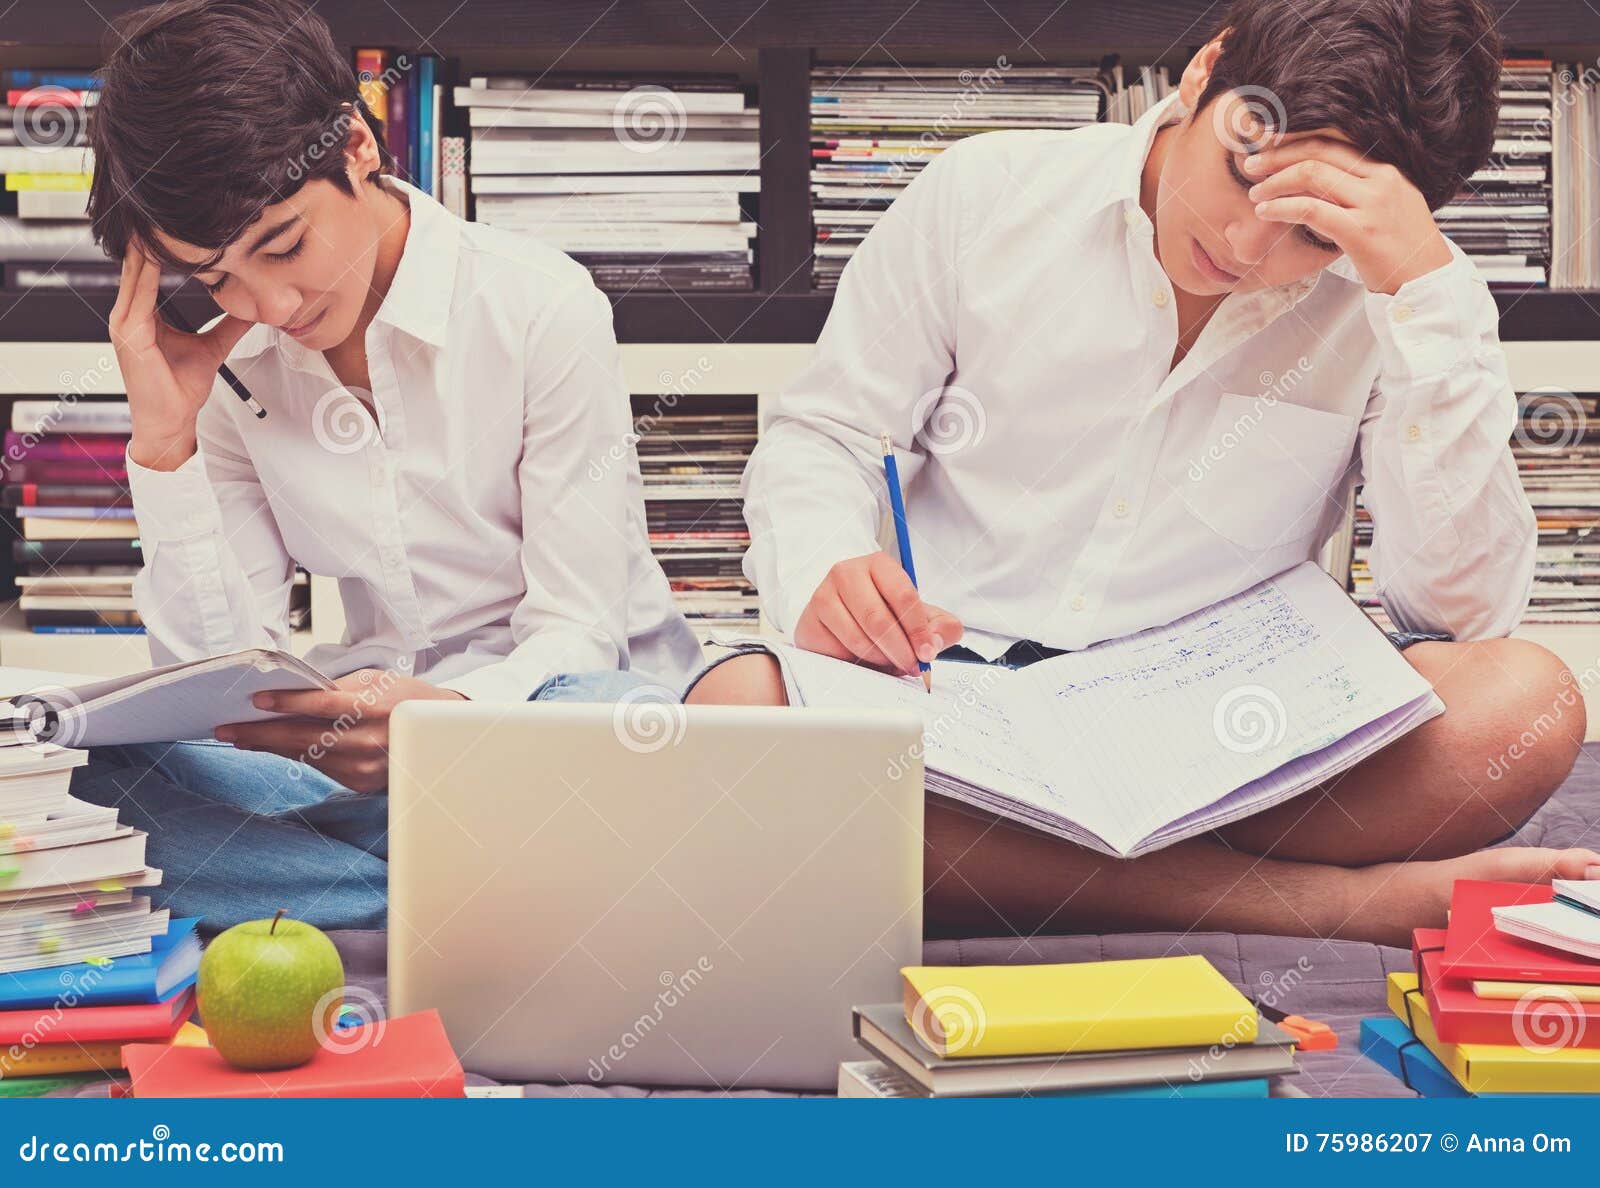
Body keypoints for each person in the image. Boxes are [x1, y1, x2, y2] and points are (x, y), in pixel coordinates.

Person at [687, 0, 1600, 946]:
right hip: (956, 699)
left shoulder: (1391, 297)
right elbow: (825, 432)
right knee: (731, 714)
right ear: (1205, 72)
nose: (1248, 248)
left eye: (1311, 234)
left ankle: (1001, 871)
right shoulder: (987, 194)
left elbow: (1455, 620)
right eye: (1244, 176)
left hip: (1221, 732)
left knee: (1526, 704)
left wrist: (1425, 295)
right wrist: (829, 563)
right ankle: (1322, 902)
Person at [66, 0, 703, 930]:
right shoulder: (228, 370)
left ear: (358, 145)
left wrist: (438, 721)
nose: (271, 302)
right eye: (217, 278)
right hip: (355, 757)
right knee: (83, 781)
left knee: (615, 713)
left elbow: (580, 631)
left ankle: (335, 892)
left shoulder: (541, 307)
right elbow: (213, 684)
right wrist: (167, 447)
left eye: (283, 245)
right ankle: (486, 897)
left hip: (540, 727)